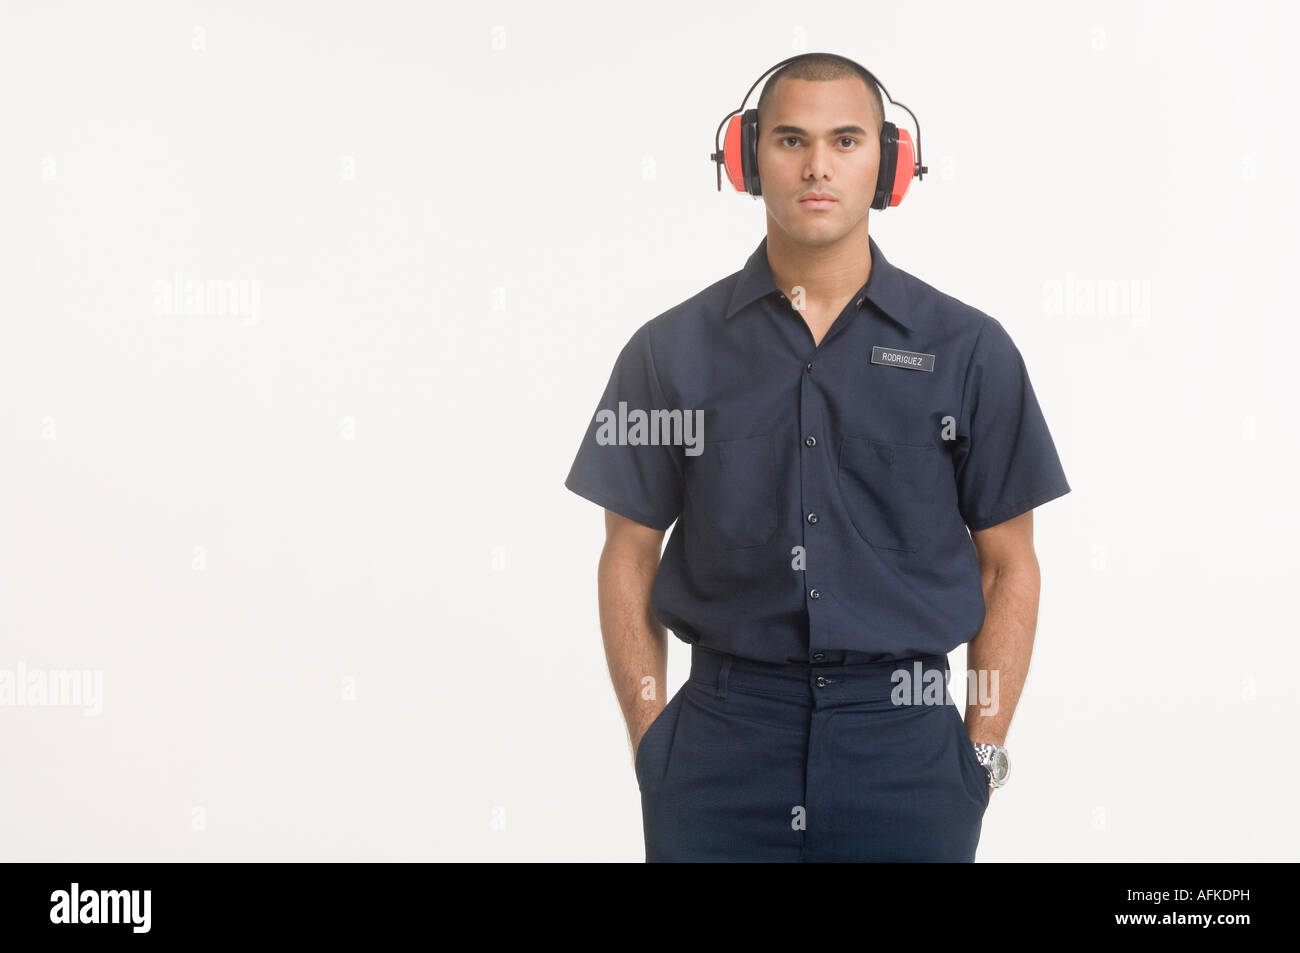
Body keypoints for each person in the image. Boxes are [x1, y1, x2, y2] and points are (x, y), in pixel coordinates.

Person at [563, 52, 1071, 861]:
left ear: (889, 163)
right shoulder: (667, 352)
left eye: (845, 140)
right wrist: (653, 742)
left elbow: (1011, 565)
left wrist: (980, 751)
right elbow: (627, 551)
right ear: (746, 157)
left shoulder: (970, 350)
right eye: (791, 140)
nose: (817, 166)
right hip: (718, 749)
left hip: (908, 751)